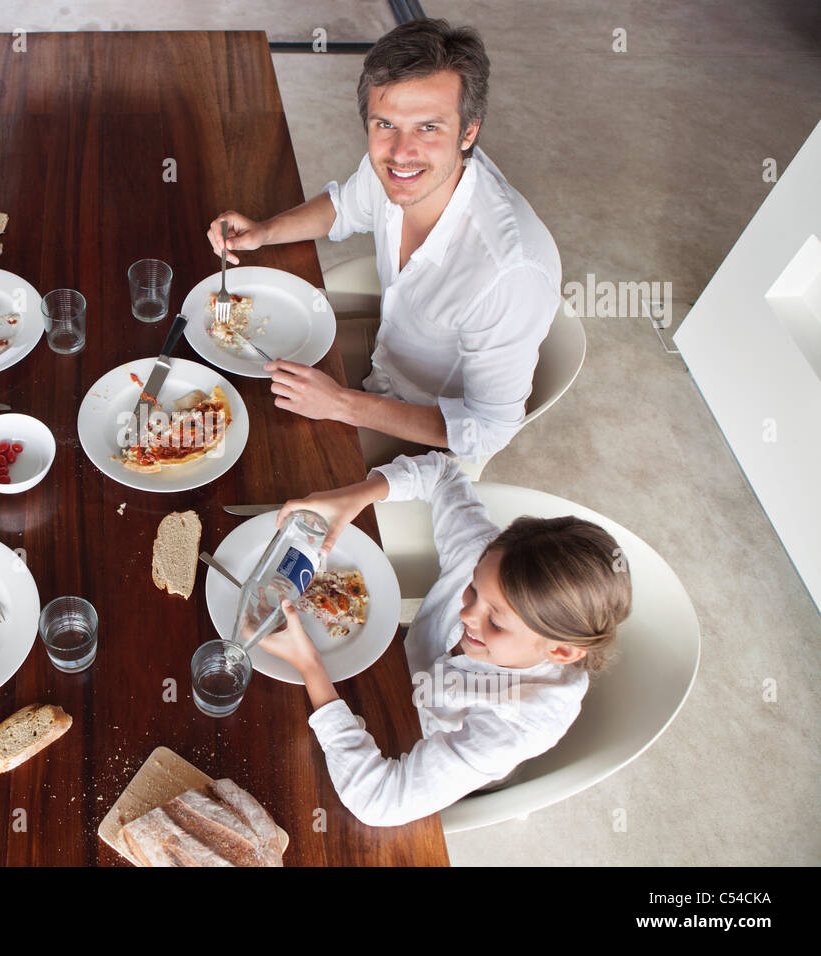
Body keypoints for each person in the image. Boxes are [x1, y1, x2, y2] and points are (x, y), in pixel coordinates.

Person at [207, 18, 561, 466]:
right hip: (381, 363)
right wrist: (264, 230)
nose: (400, 150)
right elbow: (344, 207)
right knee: (223, 389)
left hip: (425, 438)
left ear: (469, 132)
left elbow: (487, 430)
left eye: (429, 128)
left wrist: (340, 404)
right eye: (385, 123)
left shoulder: (508, 274)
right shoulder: (398, 168)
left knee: (255, 456)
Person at [257, 451, 630, 826]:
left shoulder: (518, 723)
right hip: (398, 679)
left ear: (560, 650)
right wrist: (357, 496)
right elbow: (442, 473)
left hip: (427, 751)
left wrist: (310, 667)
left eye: (496, 622)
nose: (466, 614)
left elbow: (378, 801)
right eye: (471, 589)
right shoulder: (484, 557)